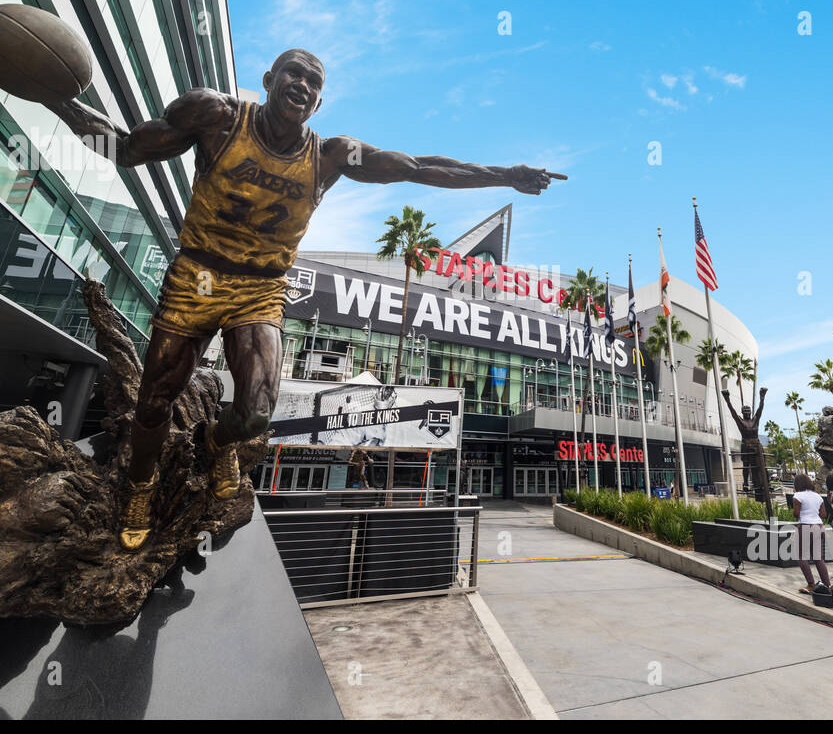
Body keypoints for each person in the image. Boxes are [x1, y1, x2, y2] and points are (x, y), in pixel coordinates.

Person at [49, 48, 562, 549]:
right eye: (294, 73)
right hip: (197, 275)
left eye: (314, 83)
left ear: (318, 102)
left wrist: (506, 175)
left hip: (260, 286)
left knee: (254, 412)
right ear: (270, 78)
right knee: (154, 397)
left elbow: (416, 166)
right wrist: (57, 100)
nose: (303, 85)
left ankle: (213, 444)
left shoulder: (330, 155)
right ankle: (139, 485)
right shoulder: (217, 117)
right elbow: (127, 148)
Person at [792, 474, 831, 594]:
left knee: (801, 557)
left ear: (797, 484)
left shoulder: (797, 495)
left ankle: (811, 584)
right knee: (818, 558)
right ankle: (827, 585)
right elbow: (823, 515)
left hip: (805, 526)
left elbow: (796, 513)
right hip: (819, 526)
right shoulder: (817, 496)